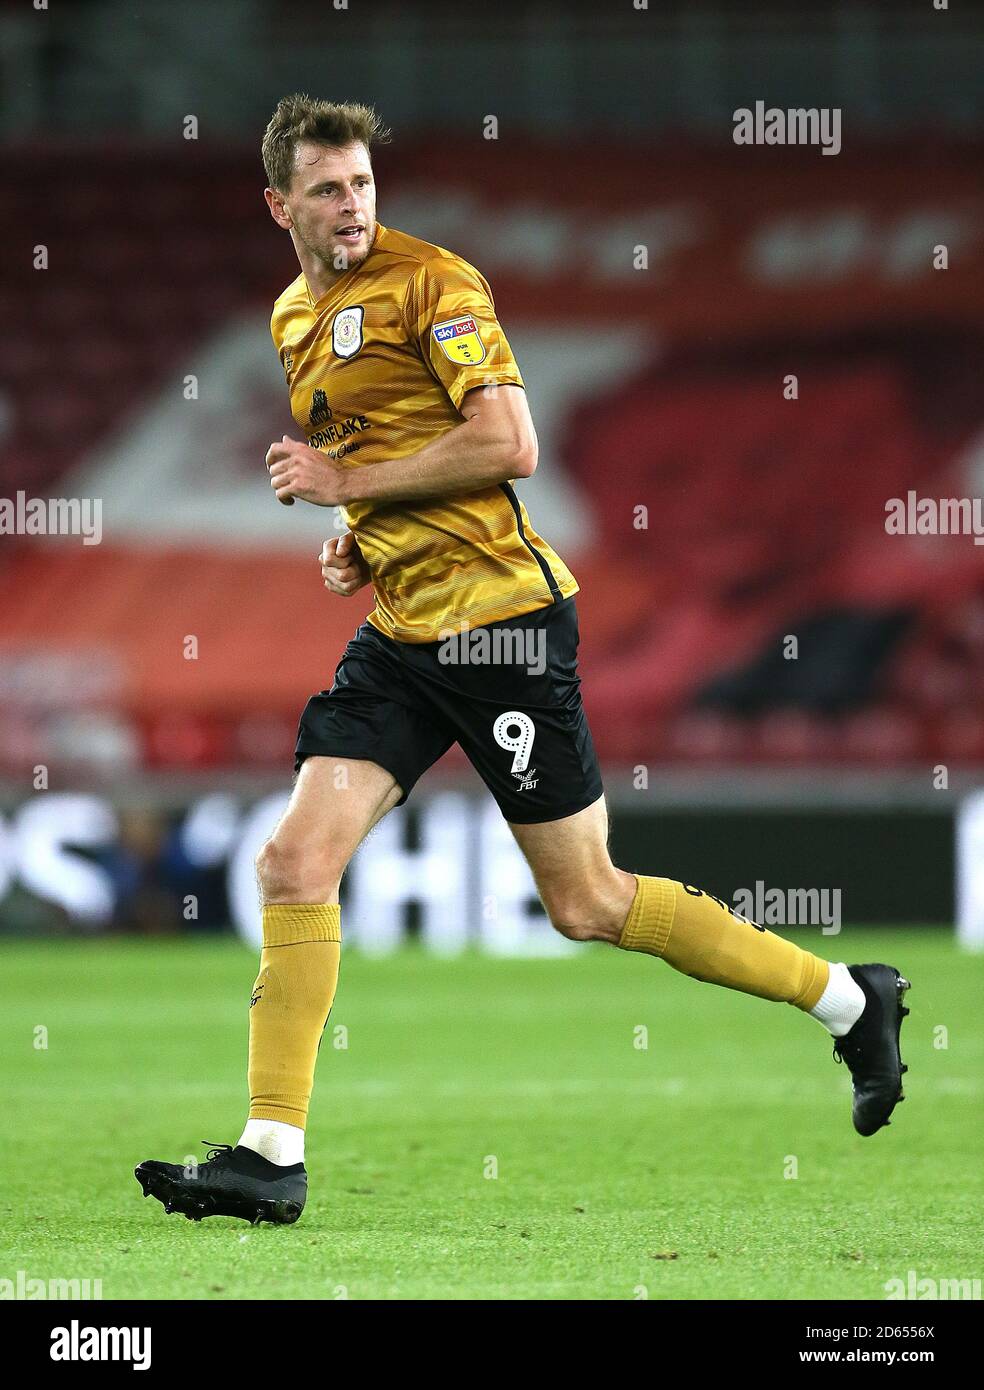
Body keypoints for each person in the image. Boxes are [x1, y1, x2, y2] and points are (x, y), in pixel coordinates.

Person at [135, 96, 910, 1226]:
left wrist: (345, 487)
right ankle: (270, 1151)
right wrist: (360, 539)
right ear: (278, 206)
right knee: (294, 863)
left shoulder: (435, 282)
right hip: (401, 637)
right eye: (327, 191)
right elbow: (384, 451)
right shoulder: (295, 316)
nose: (351, 206)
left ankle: (849, 998)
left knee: (588, 902)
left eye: (361, 184)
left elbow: (510, 443)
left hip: (500, 631)